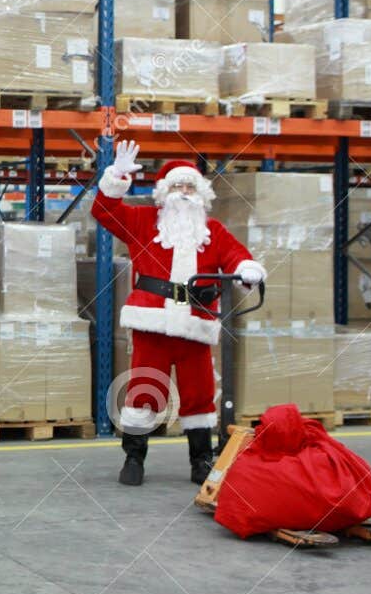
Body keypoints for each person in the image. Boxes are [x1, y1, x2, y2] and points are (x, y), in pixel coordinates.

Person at [92, 141, 265, 487]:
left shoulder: (213, 232)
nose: (184, 193)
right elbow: (104, 211)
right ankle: (134, 457)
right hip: (152, 323)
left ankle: (200, 460)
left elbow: (235, 255)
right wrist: (117, 176)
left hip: (195, 325)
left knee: (199, 394)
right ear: (163, 192)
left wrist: (247, 267)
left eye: (190, 187)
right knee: (144, 390)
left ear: (200, 194)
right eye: (177, 186)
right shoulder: (142, 222)